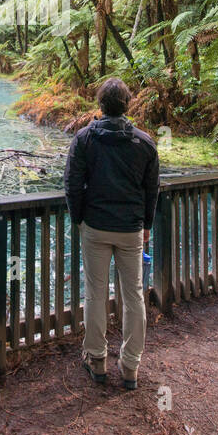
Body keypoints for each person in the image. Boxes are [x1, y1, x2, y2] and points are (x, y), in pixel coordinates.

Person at [64, 77, 159, 389]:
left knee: (96, 293)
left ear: (100, 105)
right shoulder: (144, 143)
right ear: (127, 105)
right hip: (131, 230)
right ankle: (130, 366)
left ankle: (97, 359)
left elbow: (72, 184)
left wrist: (78, 218)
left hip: (95, 227)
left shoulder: (84, 140)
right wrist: (146, 225)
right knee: (134, 295)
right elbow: (151, 189)